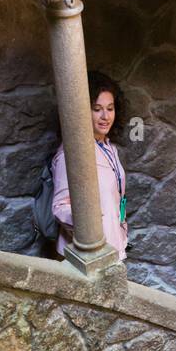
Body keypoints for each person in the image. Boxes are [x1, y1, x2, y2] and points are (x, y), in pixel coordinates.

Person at [52, 69, 128, 260]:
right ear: (83, 111)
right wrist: (91, 232)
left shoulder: (109, 147)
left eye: (110, 108)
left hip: (112, 248)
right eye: (97, 109)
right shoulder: (71, 152)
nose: (105, 116)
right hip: (87, 256)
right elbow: (60, 207)